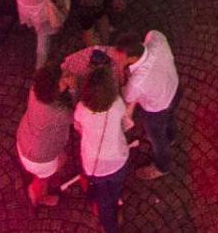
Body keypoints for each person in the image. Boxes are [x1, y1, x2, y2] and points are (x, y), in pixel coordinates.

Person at [73, 54, 135, 233]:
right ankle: (115, 207)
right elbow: (125, 123)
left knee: (103, 197)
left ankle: (109, 226)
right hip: (118, 160)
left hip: (94, 165)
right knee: (114, 189)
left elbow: (78, 126)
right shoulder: (116, 104)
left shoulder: (82, 109)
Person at [122, 27, 179, 179]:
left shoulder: (137, 81)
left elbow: (128, 97)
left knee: (158, 139)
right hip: (174, 88)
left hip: (156, 110)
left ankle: (163, 166)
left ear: (131, 58)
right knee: (171, 116)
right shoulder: (156, 37)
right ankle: (171, 136)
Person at [15, 62, 74, 207]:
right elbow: (75, 117)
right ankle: (38, 194)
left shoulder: (35, 90)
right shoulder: (59, 112)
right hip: (39, 158)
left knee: (57, 160)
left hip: (24, 140)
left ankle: (38, 181)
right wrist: (72, 89)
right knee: (60, 162)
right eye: (62, 78)